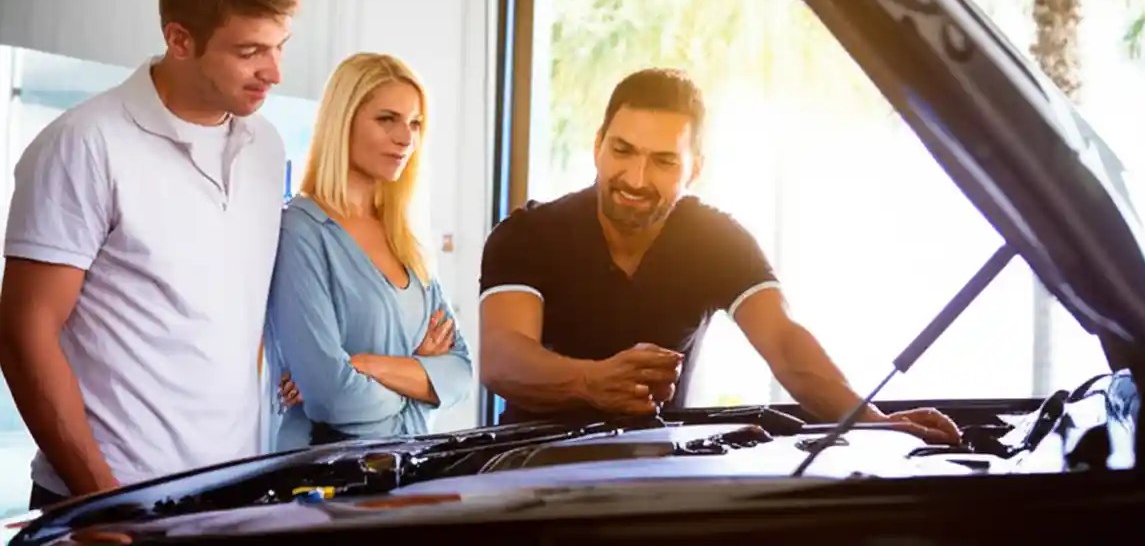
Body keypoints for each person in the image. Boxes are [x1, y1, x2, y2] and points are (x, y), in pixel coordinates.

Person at [479, 68, 961, 444]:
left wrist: (871, 422)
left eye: (664, 160)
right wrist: (589, 381)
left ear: (696, 168)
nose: (636, 178)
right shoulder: (528, 235)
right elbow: (502, 358)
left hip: (654, 474)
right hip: (531, 472)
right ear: (597, 146)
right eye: (622, 150)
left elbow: (785, 343)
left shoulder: (716, 239)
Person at [0, 0, 297, 509]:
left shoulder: (265, 145)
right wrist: (98, 498)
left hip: (234, 494)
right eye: (250, 51)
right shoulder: (86, 144)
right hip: (113, 497)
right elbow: (23, 332)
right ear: (180, 40)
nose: (275, 72)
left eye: (280, 46)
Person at [266, 52, 472, 450]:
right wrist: (418, 374)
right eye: (387, 119)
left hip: (409, 469)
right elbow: (333, 398)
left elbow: (461, 373)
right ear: (343, 122)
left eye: (415, 124)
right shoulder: (303, 230)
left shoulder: (404, 235)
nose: (406, 139)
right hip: (330, 480)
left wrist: (365, 364)